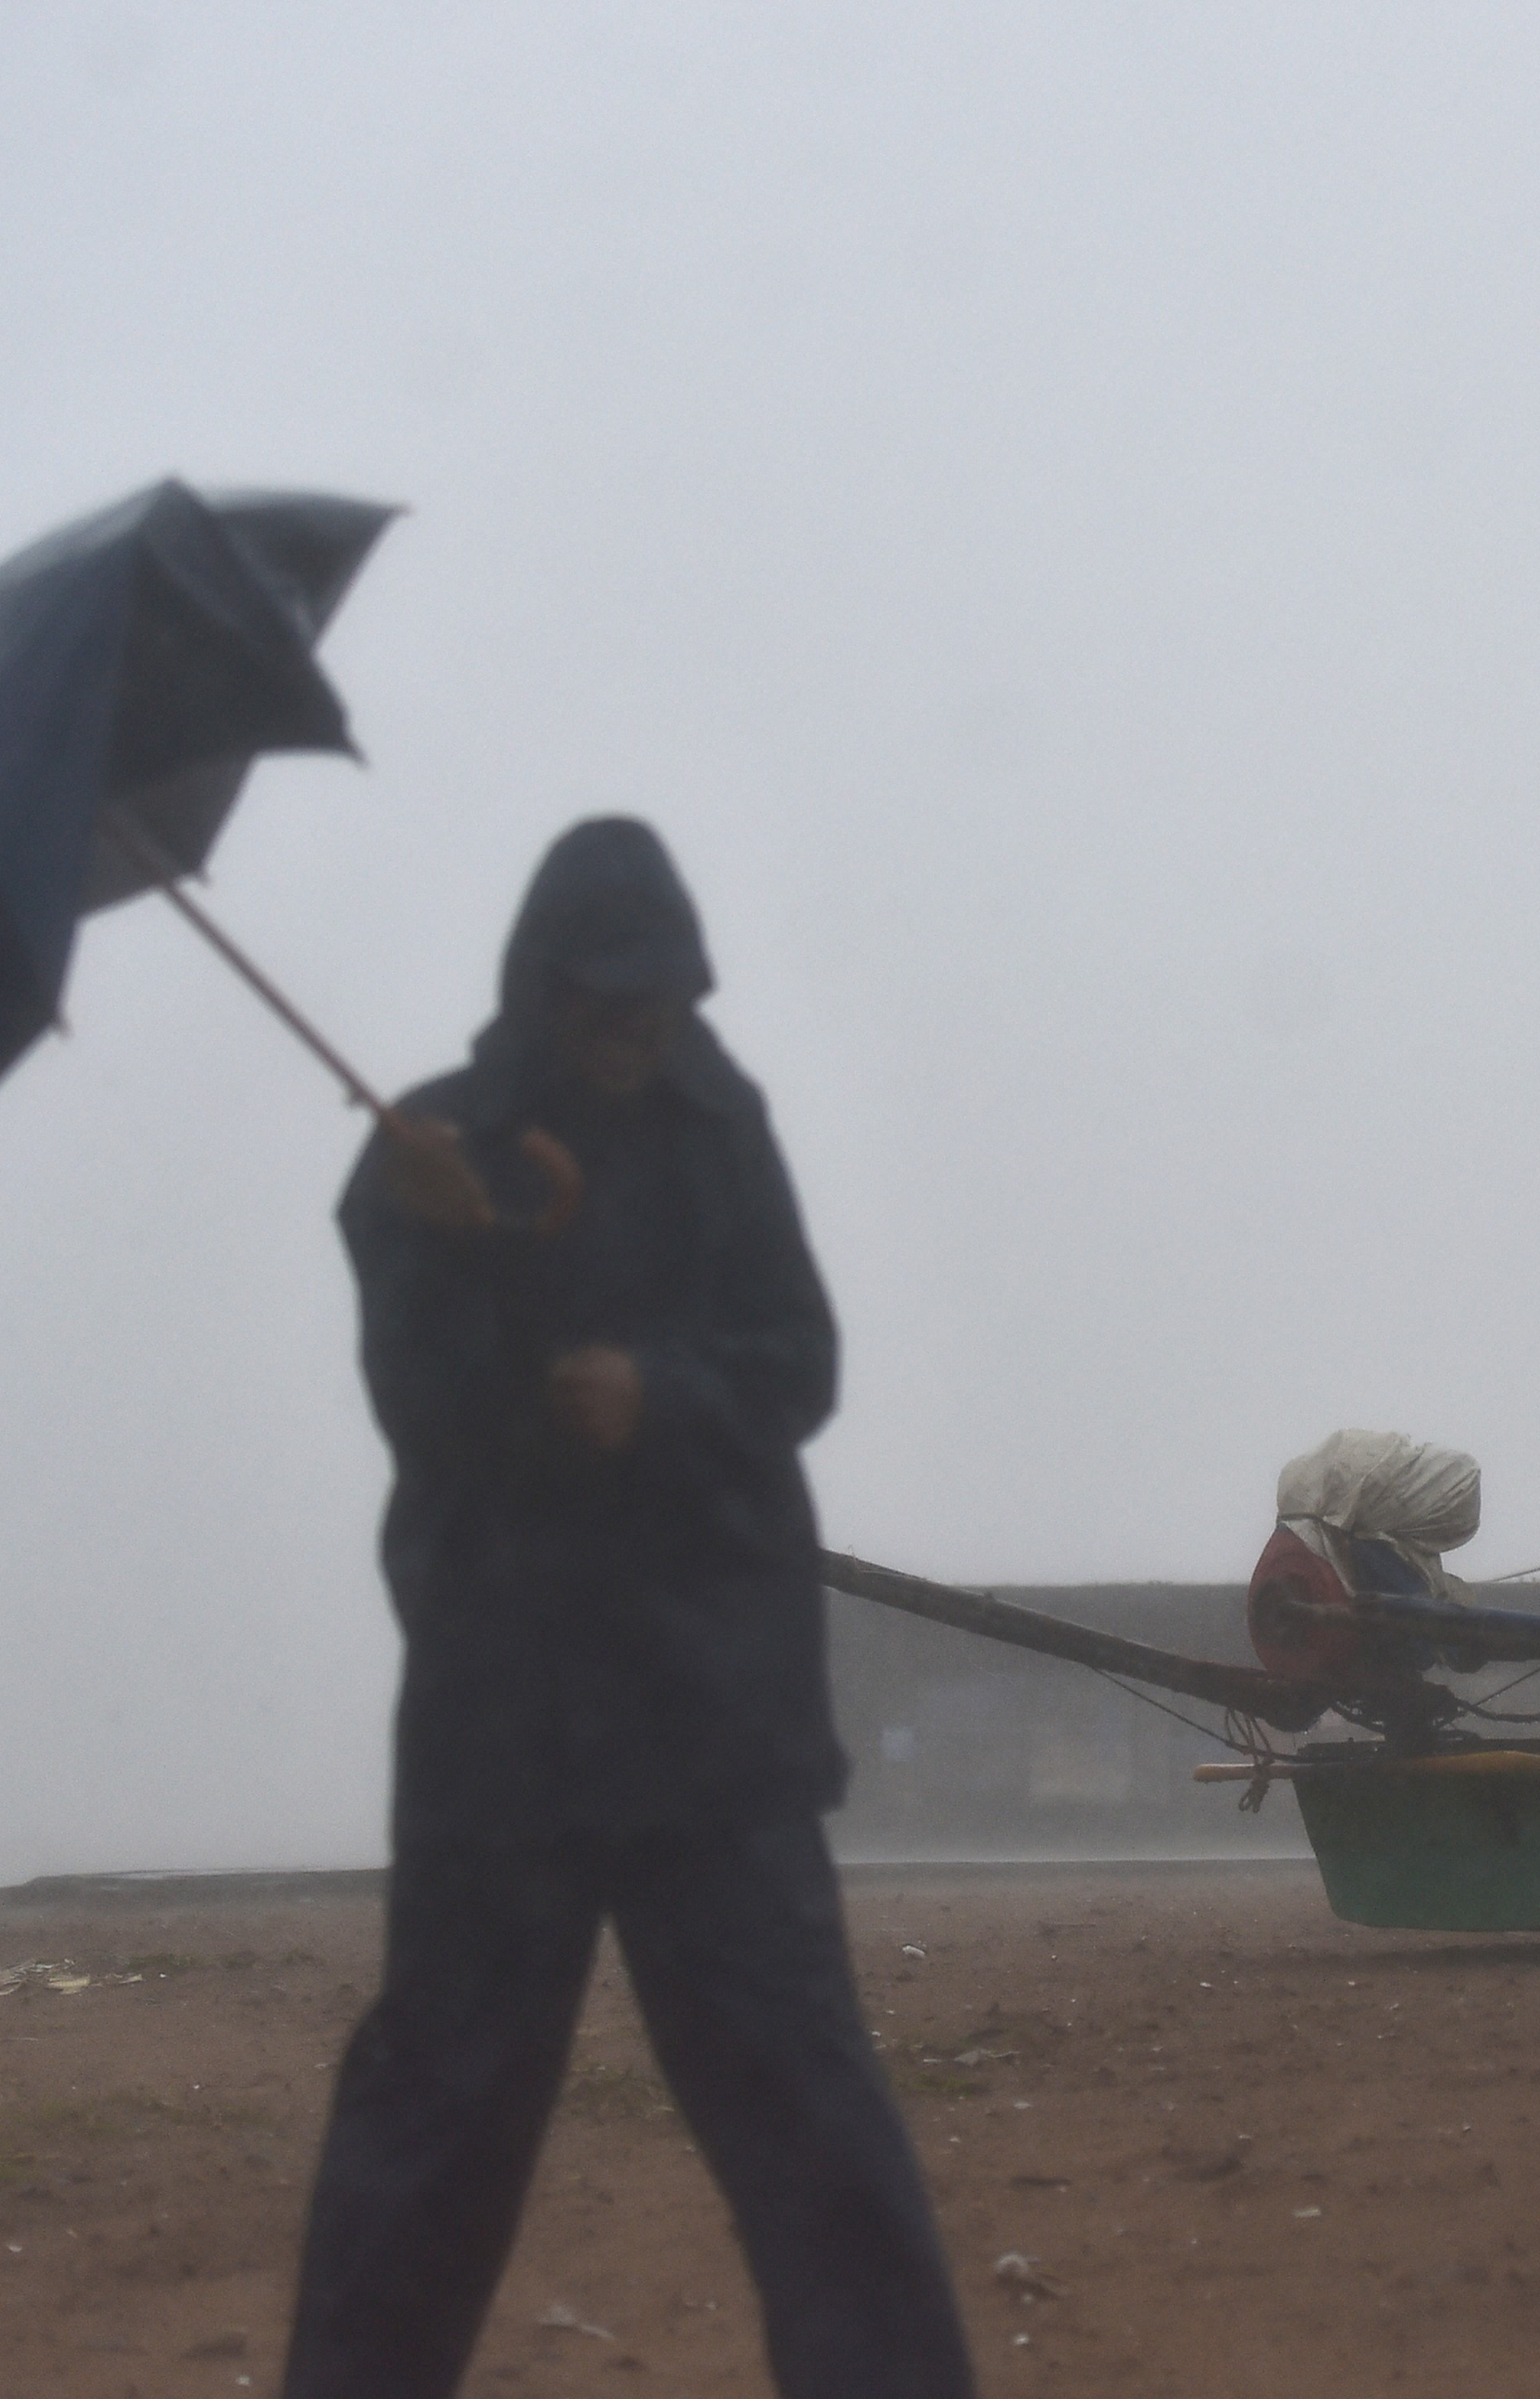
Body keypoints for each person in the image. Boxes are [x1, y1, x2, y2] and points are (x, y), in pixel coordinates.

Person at [282, 819, 976, 2399]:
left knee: (811, 2118)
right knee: (435, 2124)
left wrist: (656, 1394)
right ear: (541, 989)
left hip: (712, 1719)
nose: (628, 1020)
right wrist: (443, 1252)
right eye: (599, 995)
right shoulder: (423, 1152)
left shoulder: (725, 1127)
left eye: (651, 993)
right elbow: (432, 1421)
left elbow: (800, 1360)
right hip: (502, 1729)